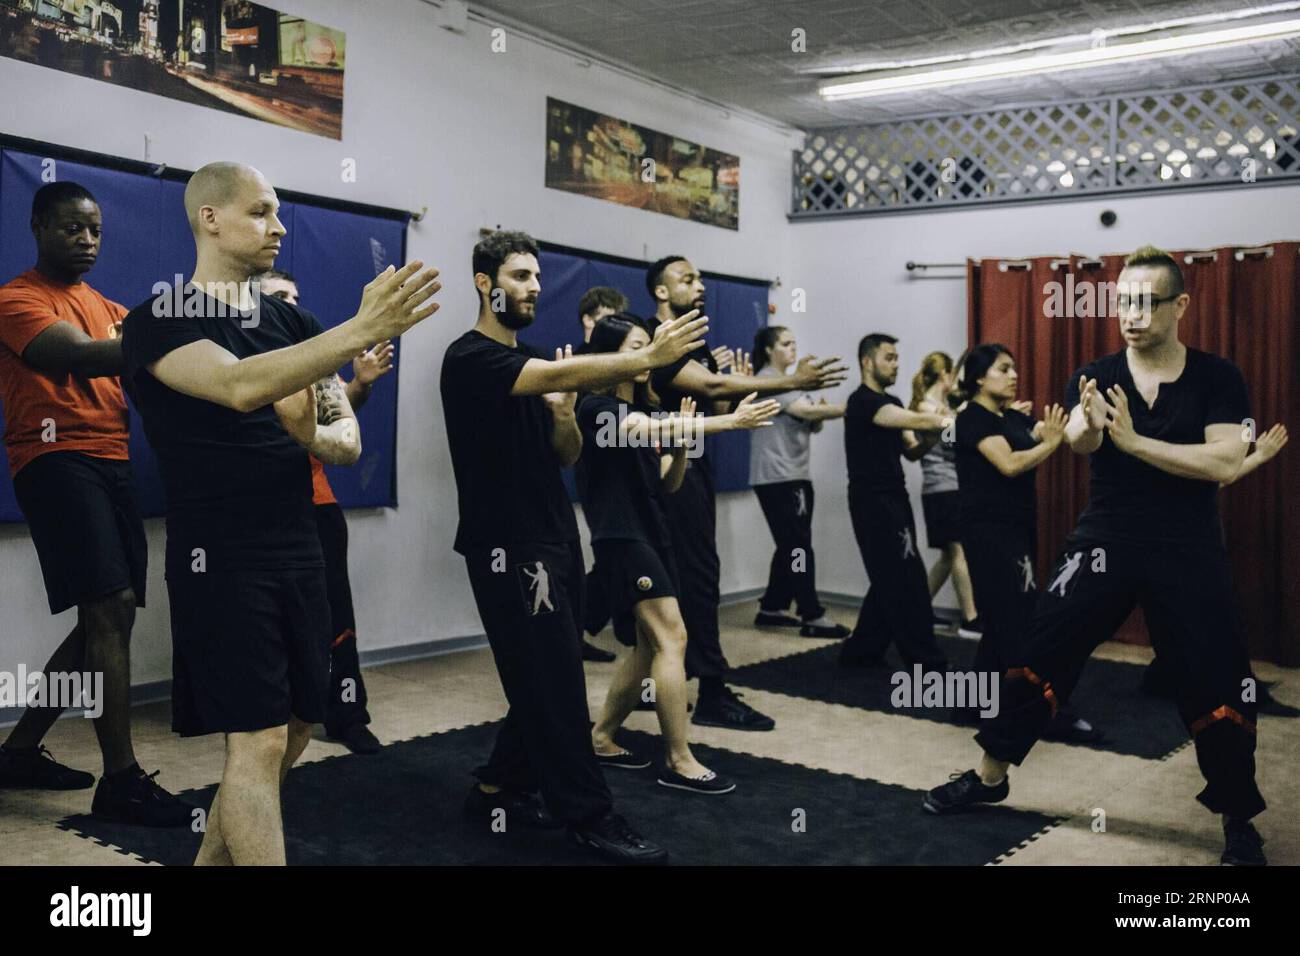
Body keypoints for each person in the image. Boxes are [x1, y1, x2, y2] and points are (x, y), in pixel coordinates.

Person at [121, 161, 440, 865]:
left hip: (300, 541)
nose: (280, 227)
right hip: (221, 551)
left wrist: (310, 436)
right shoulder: (156, 320)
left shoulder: (291, 319)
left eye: (278, 213)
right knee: (257, 738)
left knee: (296, 727)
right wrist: (359, 330)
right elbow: (236, 385)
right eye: (262, 212)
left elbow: (345, 439)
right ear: (210, 218)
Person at [922, 246, 1269, 867]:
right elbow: (1083, 443)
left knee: (1217, 673)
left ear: (1180, 306)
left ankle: (1239, 820)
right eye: (1123, 302)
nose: (1131, 315)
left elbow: (1224, 461)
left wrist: (1132, 441)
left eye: (1146, 302)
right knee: (1039, 647)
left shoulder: (1219, 377)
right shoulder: (1097, 372)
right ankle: (990, 774)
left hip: (1187, 546)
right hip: (1104, 537)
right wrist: (1085, 427)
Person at [441, 231, 709, 864]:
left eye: (536, 277)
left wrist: (563, 416)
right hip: (507, 545)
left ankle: (500, 783)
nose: (533, 287)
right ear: (486, 283)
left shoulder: (532, 362)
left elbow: (565, 454)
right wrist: (640, 359)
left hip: (556, 534)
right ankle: (588, 813)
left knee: (550, 666)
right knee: (557, 678)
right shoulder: (471, 358)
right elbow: (565, 371)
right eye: (518, 276)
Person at [0, 181, 191, 826]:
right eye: (70, 229)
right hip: (55, 460)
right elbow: (80, 357)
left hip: (111, 462)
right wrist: (171, 331)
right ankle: (122, 781)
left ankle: (19, 751)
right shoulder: (16, 300)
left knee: (100, 619)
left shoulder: (108, 306)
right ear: (37, 227)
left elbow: (152, 361)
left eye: (95, 231)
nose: (86, 241)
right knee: (108, 606)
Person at [632, 256, 848, 731]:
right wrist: (790, 380)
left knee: (684, 577)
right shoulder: (657, 341)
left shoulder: (698, 346)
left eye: (700, 278)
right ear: (662, 292)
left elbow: (719, 401)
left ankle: (662, 682)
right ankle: (709, 687)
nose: (700, 285)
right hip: (668, 468)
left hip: (697, 464)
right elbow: (709, 384)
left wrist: (737, 393)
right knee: (693, 576)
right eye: (687, 279)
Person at [578, 314, 780, 793]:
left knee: (648, 647)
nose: (649, 355)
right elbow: (643, 428)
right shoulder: (597, 408)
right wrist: (727, 420)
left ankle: (602, 736)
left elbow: (668, 483)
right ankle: (678, 758)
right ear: (612, 356)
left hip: (652, 533)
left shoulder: (637, 408)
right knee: (674, 639)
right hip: (622, 538)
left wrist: (686, 444)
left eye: (650, 346)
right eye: (636, 346)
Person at [259, 269, 394, 754]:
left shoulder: (314, 360)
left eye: (296, 297)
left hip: (318, 508)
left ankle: (346, 714)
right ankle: (269, 719)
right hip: (260, 513)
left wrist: (359, 384)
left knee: (336, 619)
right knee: (270, 626)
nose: (292, 305)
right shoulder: (239, 359)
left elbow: (336, 420)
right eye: (279, 297)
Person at [1140, 423, 1299, 717]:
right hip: (1170, 541)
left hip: (1177, 538)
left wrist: (1257, 456)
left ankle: (1165, 675)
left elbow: (1208, 479)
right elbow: (1208, 481)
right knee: (1209, 617)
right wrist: (1258, 456)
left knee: (1184, 617)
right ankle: (1233, 690)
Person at [838, 334, 950, 671]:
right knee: (907, 577)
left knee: (890, 575)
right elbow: (913, 420)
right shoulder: (862, 402)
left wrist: (931, 438)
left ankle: (861, 651)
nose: (896, 364)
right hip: (871, 502)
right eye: (889, 358)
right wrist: (946, 421)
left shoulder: (894, 402)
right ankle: (926, 663)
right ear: (867, 362)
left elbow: (912, 451)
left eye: (897, 358)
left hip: (896, 498)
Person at [748, 325, 849, 638]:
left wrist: (818, 415)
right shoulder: (769, 381)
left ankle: (772, 607)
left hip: (795, 474)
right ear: (769, 349)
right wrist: (854, 407)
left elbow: (810, 423)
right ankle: (811, 613)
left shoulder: (794, 385)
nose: (793, 349)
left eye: (794, 343)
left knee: (790, 544)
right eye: (786, 344)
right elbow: (804, 411)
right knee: (798, 547)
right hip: (779, 476)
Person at [574, 285, 630, 663]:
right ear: (589, 320)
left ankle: (578, 627)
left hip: (623, 474)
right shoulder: (577, 364)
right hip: (595, 474)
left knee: (614, 561)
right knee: (614, 558)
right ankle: (575, 628)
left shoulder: (620, 368)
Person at [910, 351, 980, 638]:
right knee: (958, 550)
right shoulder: (927, 409)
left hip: (949, 488)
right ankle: (970, 620)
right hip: (941, 489)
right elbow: (952, 443)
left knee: (948, 555)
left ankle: (917, 612)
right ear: (944, 376)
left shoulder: (941, 407)